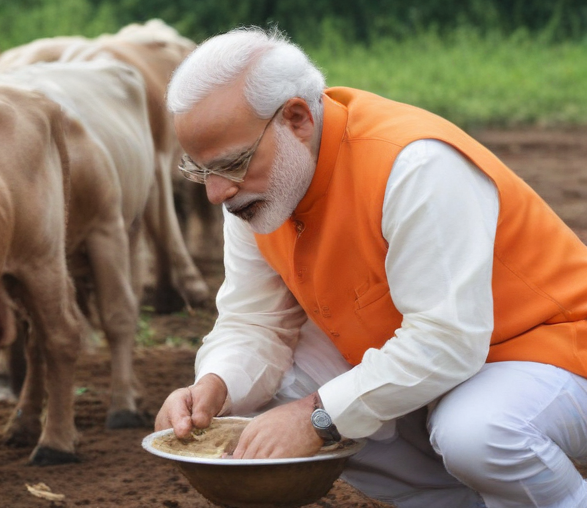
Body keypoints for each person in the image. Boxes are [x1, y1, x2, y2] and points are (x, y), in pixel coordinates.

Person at [154, 26, 587, 508]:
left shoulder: (413, 165)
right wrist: (213, 384)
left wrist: (319, 416)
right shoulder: (258, 192)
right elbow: (254, 320)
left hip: (554, 350)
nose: (216, 193)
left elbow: (448, 340)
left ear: (297, 118)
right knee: (275, 395)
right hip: (456, 361)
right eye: (200, 171)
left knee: (476, 433)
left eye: (231, 163)